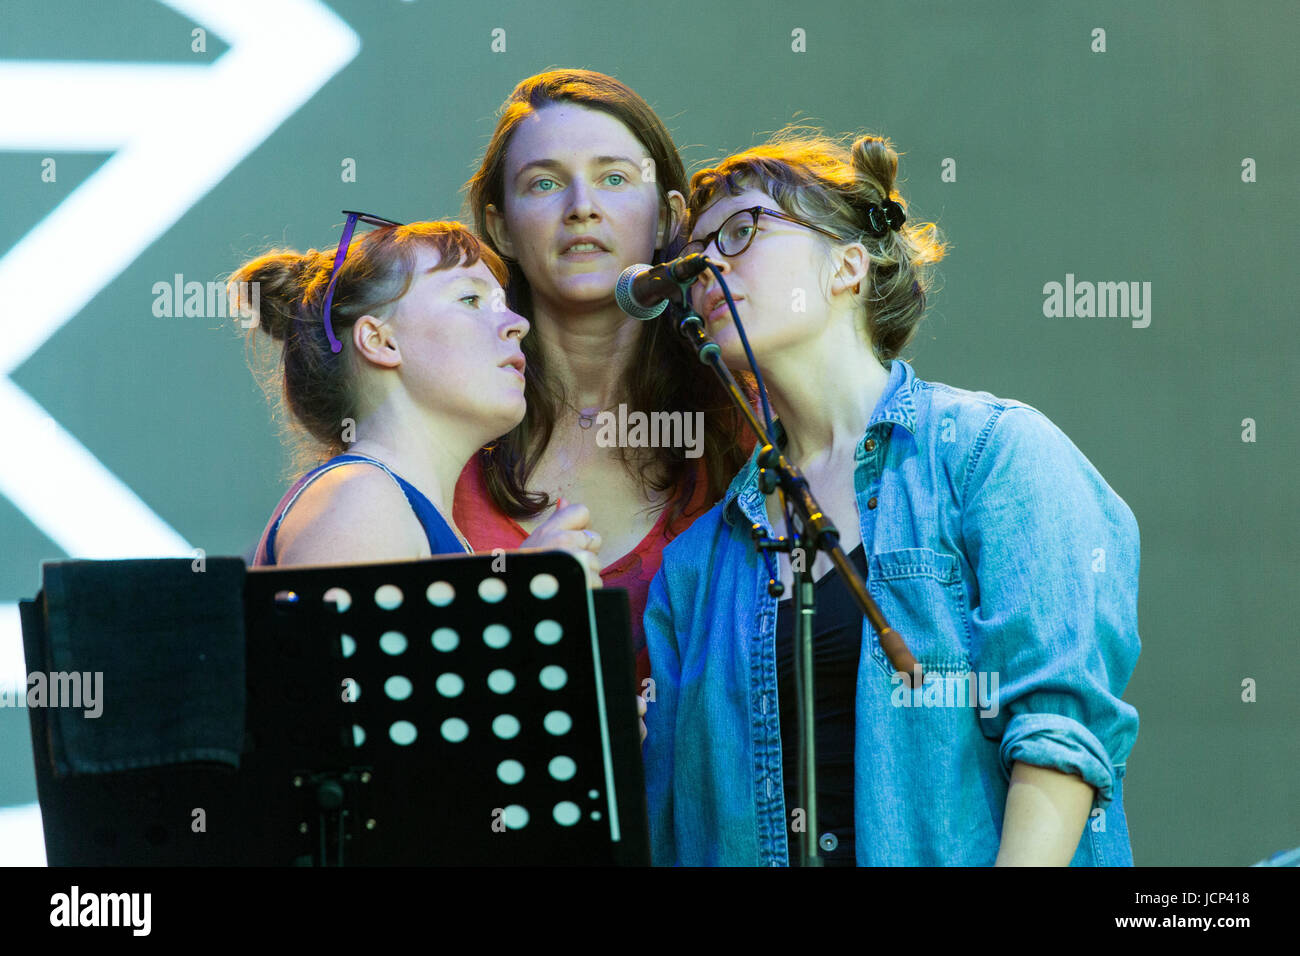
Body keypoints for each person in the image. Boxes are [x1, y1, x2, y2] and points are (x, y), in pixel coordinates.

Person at [642, 129, 1141, 866]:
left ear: (846, 266)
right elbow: (677, 833)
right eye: (696, 251)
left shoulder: (991, 456)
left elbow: (1059, 732)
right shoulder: (693, 568)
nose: (707, 263)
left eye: (742, 231)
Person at [455, 70, 755, 687]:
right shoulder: (445, 416)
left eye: (614, 178)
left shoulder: (745, 417)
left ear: (671, 216)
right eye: (544, 183)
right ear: (501, 226)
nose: (582, 207)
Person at [237, 216, 601, 581]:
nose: (517, 323)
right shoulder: (362, 499)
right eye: (471, 299)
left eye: (503, 304)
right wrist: (529, 594)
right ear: (381, 342)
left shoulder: (395, 505)